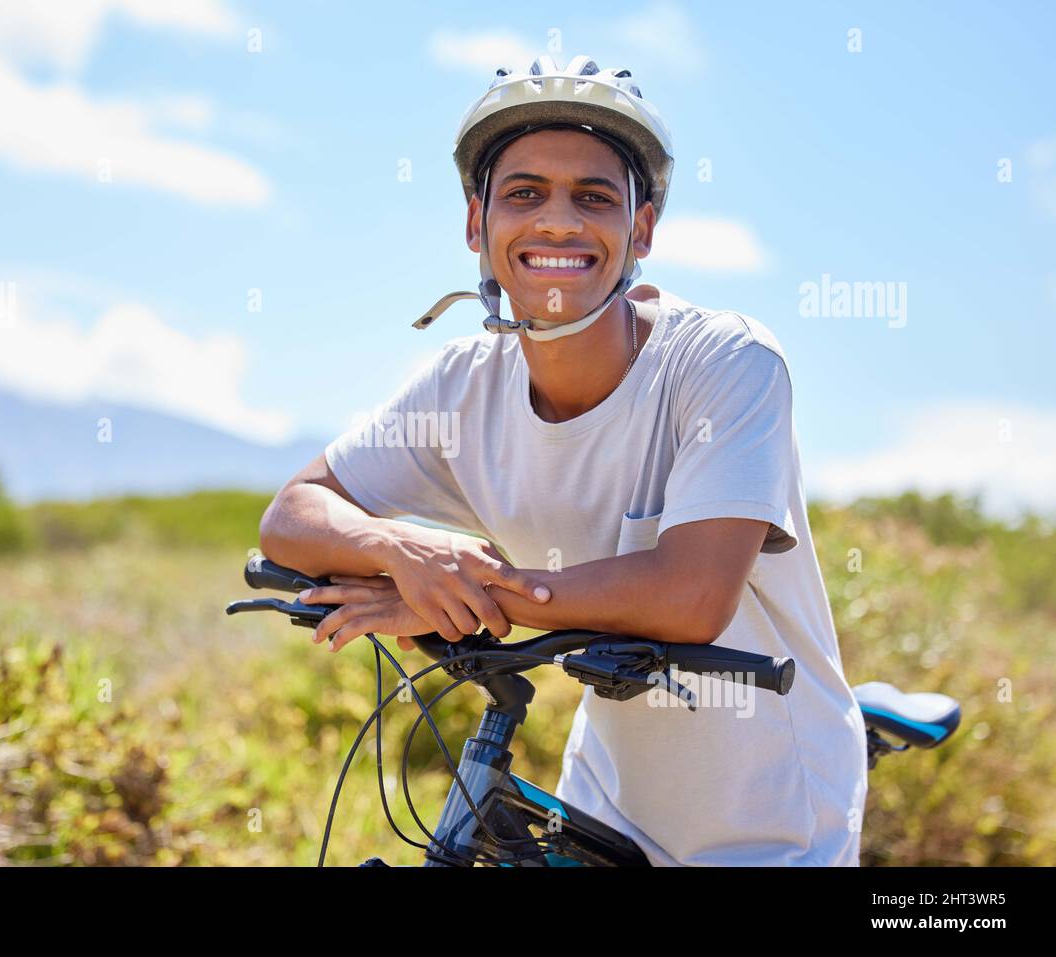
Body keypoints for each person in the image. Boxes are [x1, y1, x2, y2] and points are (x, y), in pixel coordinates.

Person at [259, 55, 868, 866]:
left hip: (775, 820)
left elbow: (691, 594)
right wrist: (406, 552)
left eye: (593, 197)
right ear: (477, 225)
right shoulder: (461, 385)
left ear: (640, 230)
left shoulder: (726, 363)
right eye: (523, 194)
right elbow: (293, 515)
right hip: (607, 797)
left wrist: (473, 597)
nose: (556, 222)